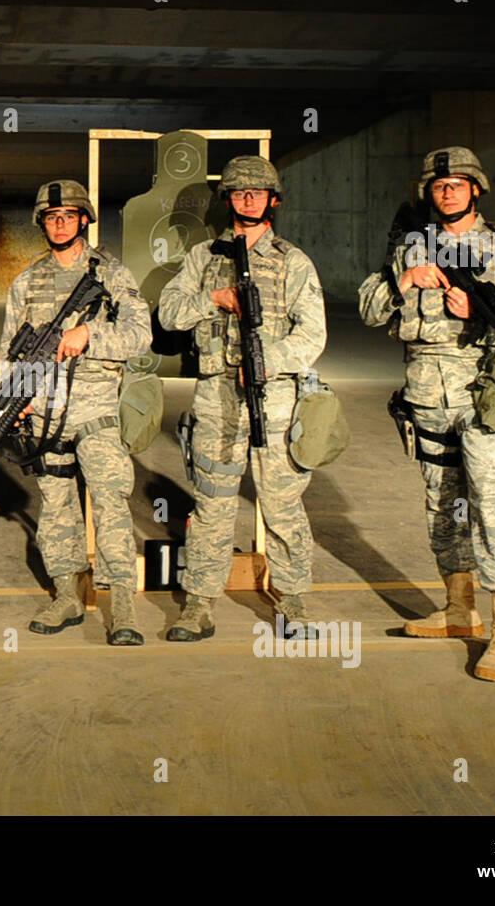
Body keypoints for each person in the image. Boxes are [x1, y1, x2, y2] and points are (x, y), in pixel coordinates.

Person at [358, 146, 495, 681]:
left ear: (475, 190)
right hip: (425, 394)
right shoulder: (409, 249)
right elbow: (370, 311)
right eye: (439, 186)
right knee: (443, 507)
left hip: (484, 392)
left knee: (493, 504)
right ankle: (458, 609)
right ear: (428, 193)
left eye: (457, 184)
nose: (447, 191)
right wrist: (404, 281)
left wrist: (482, 319)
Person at [158, 156, 327, 640]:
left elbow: (312, 334)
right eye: (238, 192)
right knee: (211, 503)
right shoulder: (204, 258)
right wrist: (215, 299)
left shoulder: (292, 261)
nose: (248, 199)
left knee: (282, 503)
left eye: (257, 192)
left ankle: (292, 601)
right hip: (216, 399)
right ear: (227, 199)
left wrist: (268, 358)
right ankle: (199, 604)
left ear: (272, 201)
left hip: (274, 400)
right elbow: (169, 314)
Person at [2, 179, 152, 645]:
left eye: (68, 215)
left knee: (109, 505)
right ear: (41, 224)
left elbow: (141, 335)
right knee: (56, 508)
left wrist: (92, 337)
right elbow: (12, 350)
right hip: (47, 411)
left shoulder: (111, 274)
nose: (60, 223)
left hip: (98, 406)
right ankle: (66, 595)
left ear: (84, 218)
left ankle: (122, 606)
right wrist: (18, 399)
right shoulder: (26, 281)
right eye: (51, 217)